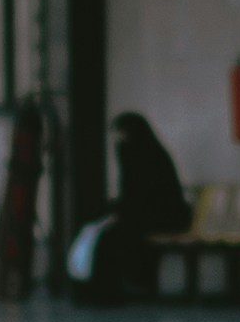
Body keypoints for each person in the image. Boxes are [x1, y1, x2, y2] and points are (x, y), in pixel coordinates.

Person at [78, 105, 192, 309]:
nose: (119, 140)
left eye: (122, 133)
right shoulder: (142, 153)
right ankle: (103, 290)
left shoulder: (150, 158)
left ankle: (106, 291)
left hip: (163, 217)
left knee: (110, 239)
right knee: (106, 235)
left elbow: (147, 196)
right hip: (145, 215)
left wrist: (120, 212)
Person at [0, 97, 47, 309]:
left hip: (19, 193)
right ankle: (13, 284)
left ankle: (10, 284)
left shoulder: (25, 128)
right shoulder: (28, 127)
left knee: (13, 234)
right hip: (20, 193)